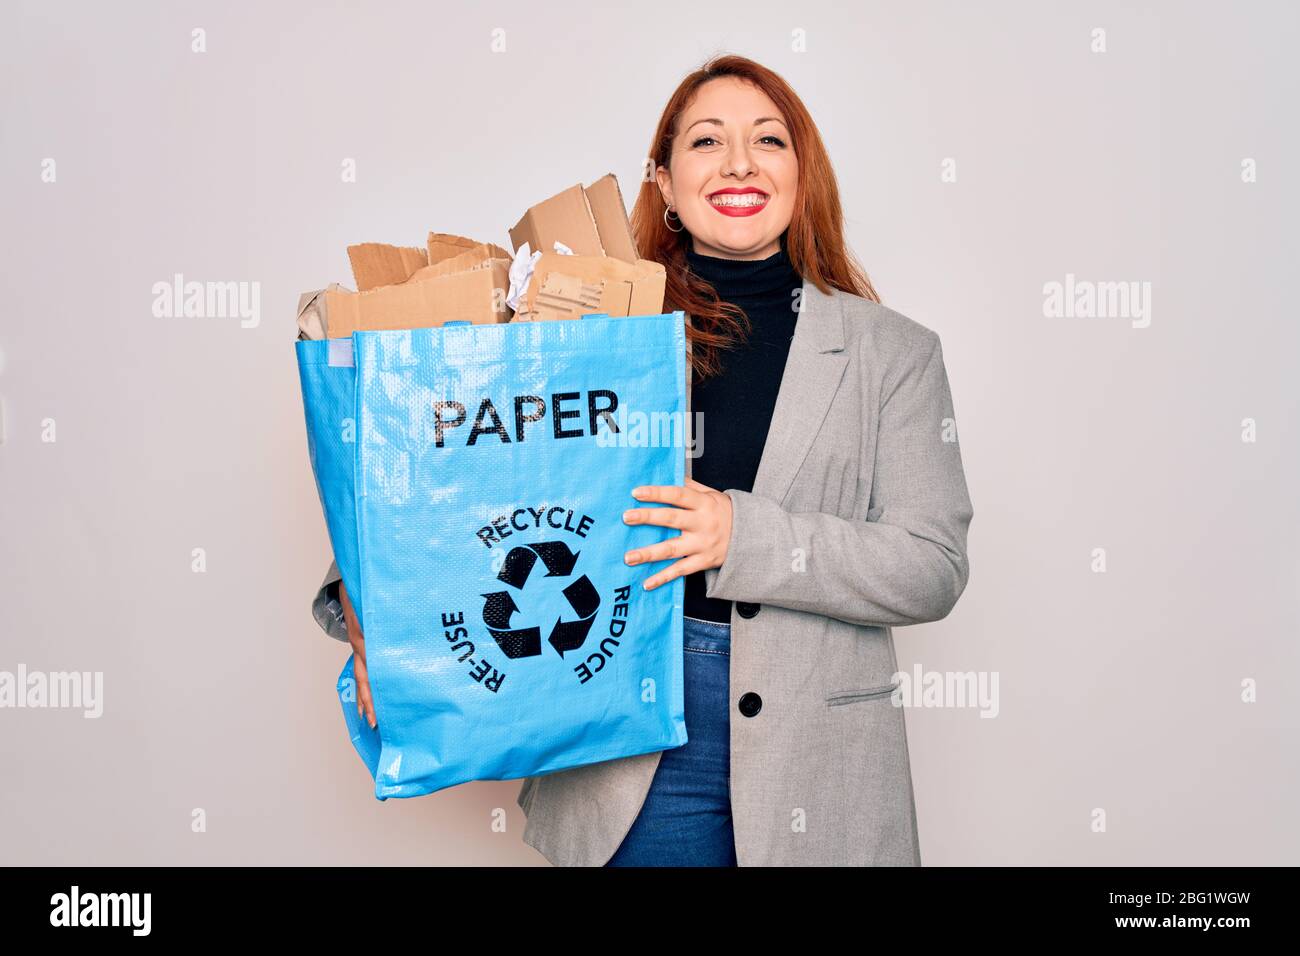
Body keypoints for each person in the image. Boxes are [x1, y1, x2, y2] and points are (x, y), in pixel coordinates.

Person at [310, 53, 975, 867]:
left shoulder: (894, 354)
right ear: (661, 177)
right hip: (628, 744)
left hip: (818, 752)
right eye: (706, 142)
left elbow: (932, 564)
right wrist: (372, 612)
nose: (738, 162)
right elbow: (455, 489)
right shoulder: (583, 331)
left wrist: (744, 536)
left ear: (803, 171)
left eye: (768, 139)